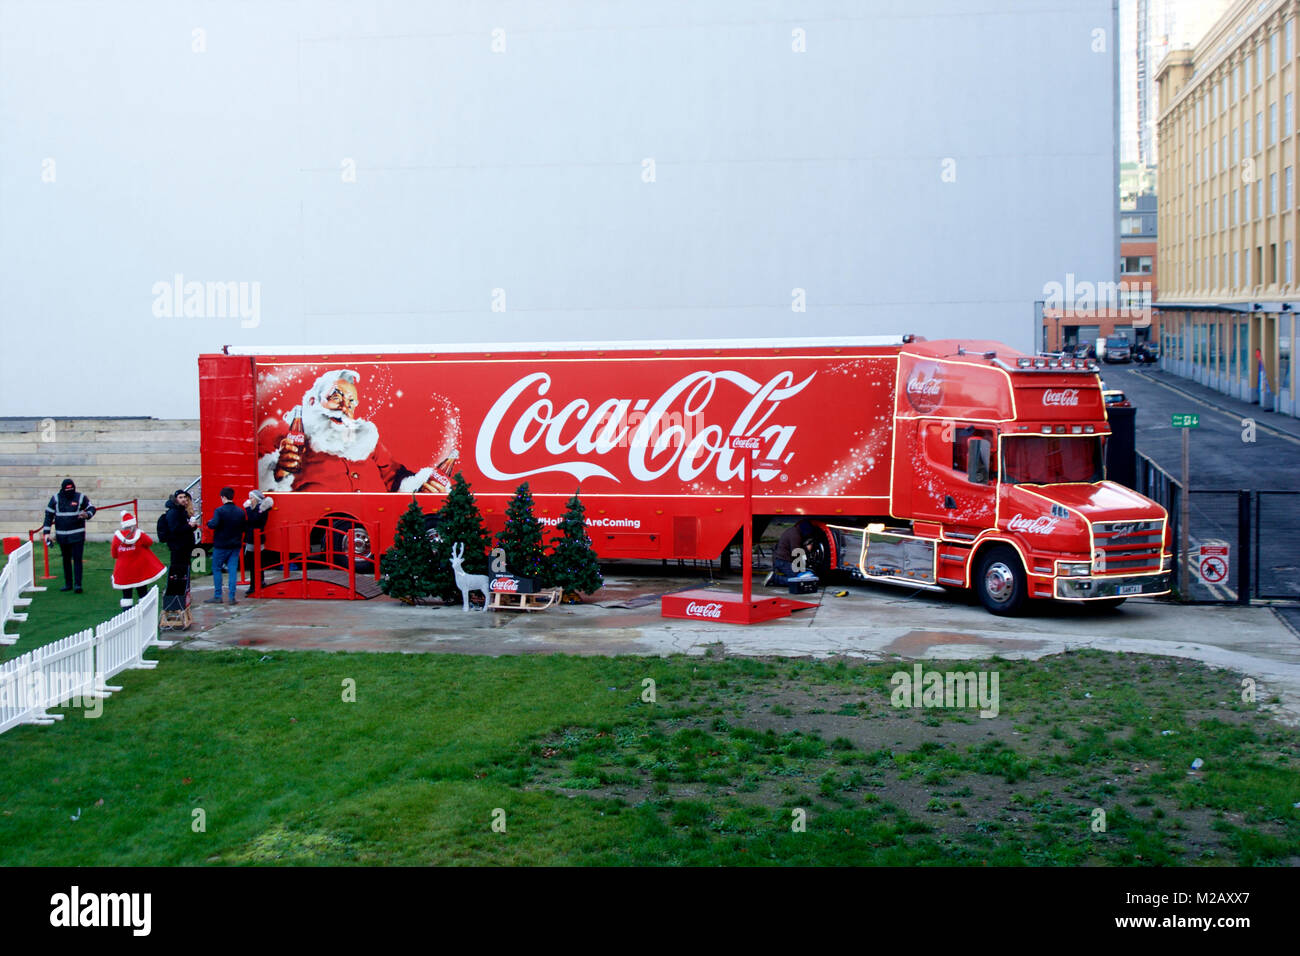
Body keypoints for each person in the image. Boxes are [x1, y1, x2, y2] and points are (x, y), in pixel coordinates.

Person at [256, 369, 455, 494]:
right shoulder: (283, 431)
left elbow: (394, 477)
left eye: (351, 402)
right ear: (312, 401)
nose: (345, 408)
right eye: (336, 397)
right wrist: (279, 471)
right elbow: (259, 474)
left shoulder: (366, 439)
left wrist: (421, 487)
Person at [42, 478, 96, 593]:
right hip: (62, 536)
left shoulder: (81, 497)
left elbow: (92, 508)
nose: (70, 491)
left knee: (77, 559)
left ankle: (78, 585)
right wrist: (46, 533)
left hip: (77, 535)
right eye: (67, 489)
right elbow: (48, 515)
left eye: (72, 489)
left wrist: (87, 514)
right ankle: (68, 584)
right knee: (66, 560)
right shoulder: (55, 498)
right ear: (63, 489)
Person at [110, 512, 166, 607]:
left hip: (123, 570)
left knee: (126, 594)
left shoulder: (117, 537)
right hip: (139, 570)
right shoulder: (139, 535)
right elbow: (149, 542)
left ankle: (127, 614)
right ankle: (144, 612)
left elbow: (114, 554)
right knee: (142, 591)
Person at [205, 487, 246, 605]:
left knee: (217, 568)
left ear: (223, 497)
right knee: (232, 570)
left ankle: (218, 595)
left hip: (221, 544)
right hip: (235, 544)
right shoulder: (240, 511)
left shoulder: (219, 511)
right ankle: (232, 596)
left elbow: (213, 525)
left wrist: (209, 523)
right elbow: (243, 527)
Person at [160, 489, 200, 600]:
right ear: (176, 499)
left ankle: (184, 592)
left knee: (185, 569)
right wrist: (189, 526)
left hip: (185, 546)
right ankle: (176, 594)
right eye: (181, 497)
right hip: (178, 547)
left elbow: (186, 527)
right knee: (177, 570)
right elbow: (175, 529)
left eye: (184, 497)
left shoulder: (182, 511)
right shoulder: (174, 512)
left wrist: (193, 525)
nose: (184, 500)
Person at [242, 490, 274, 596]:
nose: (249, 500)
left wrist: (247, 508)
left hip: (255, 539)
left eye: (251, 497)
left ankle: (254, 585)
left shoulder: (261, 509)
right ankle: (260, 582)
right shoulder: (259, 509)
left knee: (253, 563)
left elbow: (254, 520)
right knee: (256, 562)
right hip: (254, 538)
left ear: (255, 498)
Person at [767, 519, 814, 586]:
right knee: (796, 579)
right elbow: (796, 552)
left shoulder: (794, 531)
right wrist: (807, 549)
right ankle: (774, 578)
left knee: (798, 575)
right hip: (782, 561)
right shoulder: (795, 535)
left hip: (782, 559)